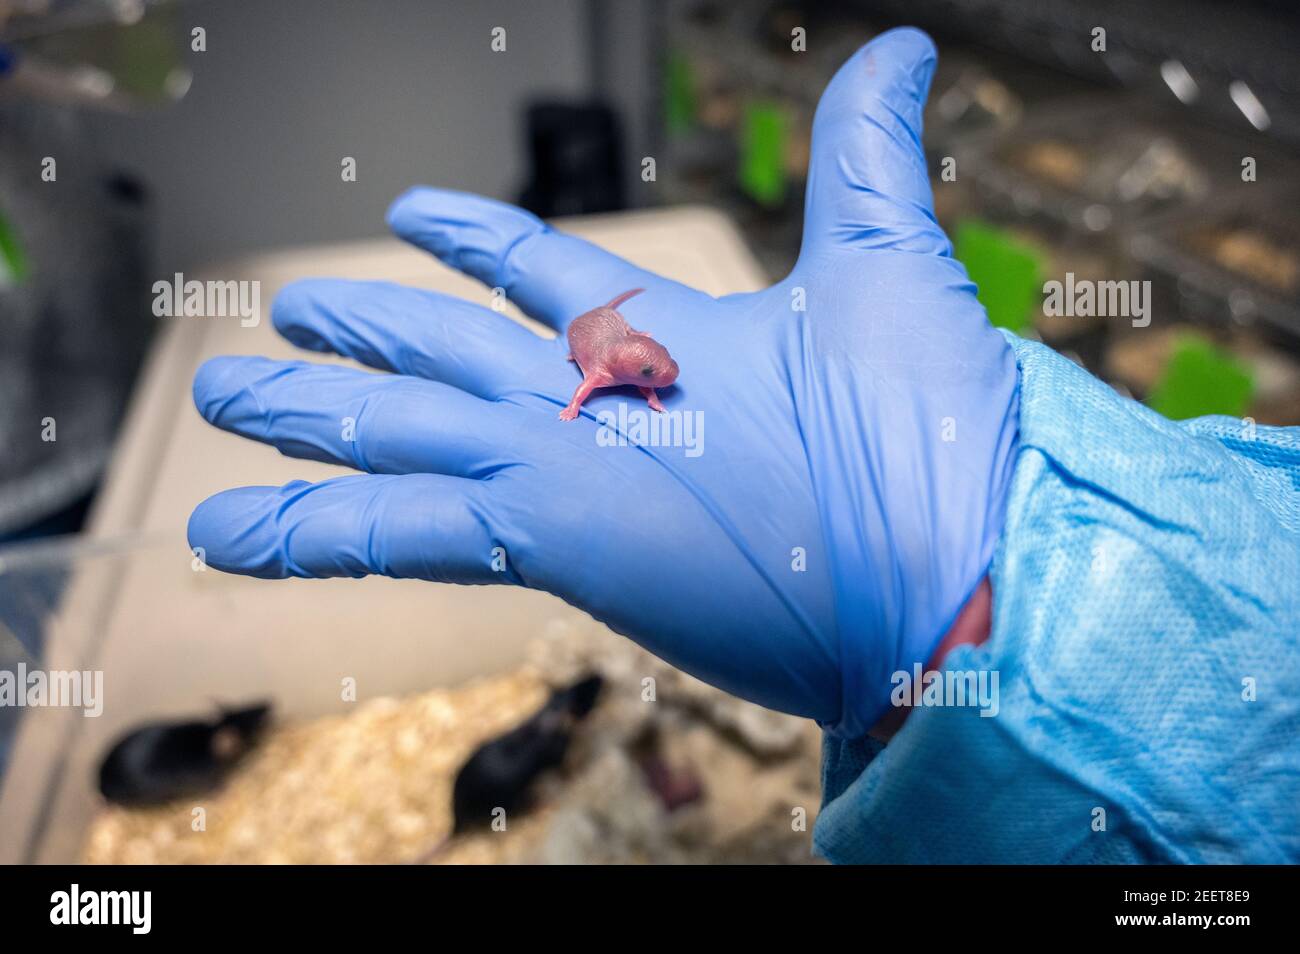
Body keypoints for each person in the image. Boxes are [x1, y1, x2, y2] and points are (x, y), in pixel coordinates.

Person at [187, 28, 1300, 863]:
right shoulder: (606, 370)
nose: (657, 382)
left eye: (654, 377)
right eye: (646, 376)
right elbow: (596, 377)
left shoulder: (646, 368)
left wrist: (984, 599)